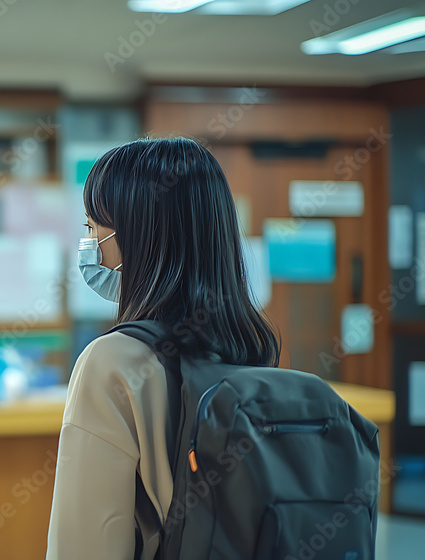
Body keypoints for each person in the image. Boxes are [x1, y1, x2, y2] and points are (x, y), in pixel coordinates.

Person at [46, 137, 280, 559]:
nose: (89, 243)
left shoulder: (112, 363)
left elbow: (84, 545)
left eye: (92, 227)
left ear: (137, 236)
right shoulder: (255, 352)